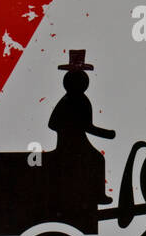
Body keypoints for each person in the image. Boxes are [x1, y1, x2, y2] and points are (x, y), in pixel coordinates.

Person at [47, 51, 115, 208]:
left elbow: (54, 123)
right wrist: (107, 134)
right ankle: (98, 195)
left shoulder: (73, 100)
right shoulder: (78, 101)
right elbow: (86, 127)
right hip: (72, 144)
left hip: (71, 142)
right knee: (97, 159)